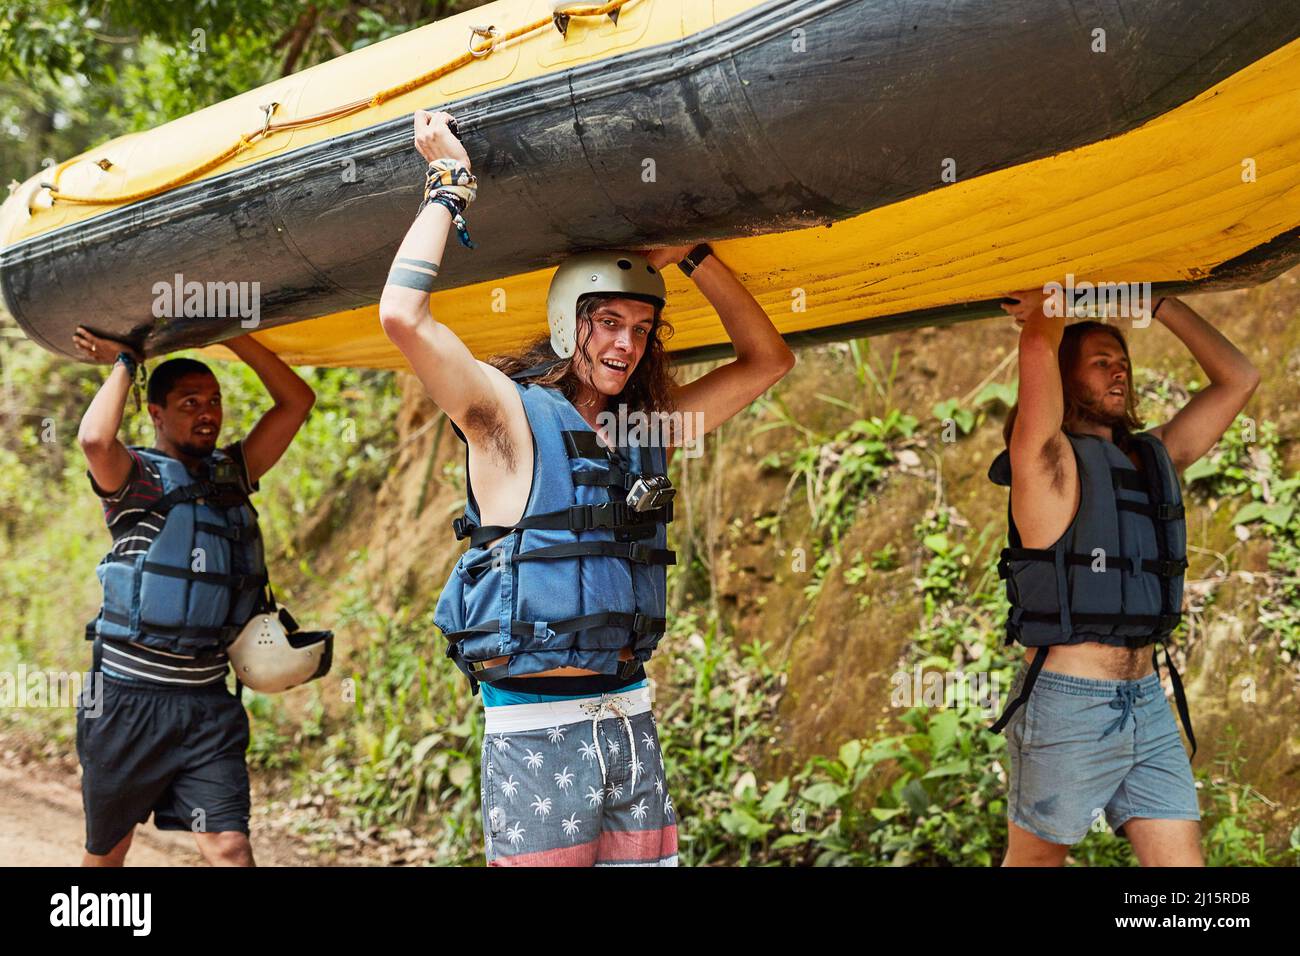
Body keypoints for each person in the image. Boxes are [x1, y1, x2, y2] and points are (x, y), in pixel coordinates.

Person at [379, 109, 795, 866]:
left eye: (641, 329)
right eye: (607, 322)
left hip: (629, 720)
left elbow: (768, 361)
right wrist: (447, 188)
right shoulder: (505, 415)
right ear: (569, 326)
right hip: (538, 735)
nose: (626, 344)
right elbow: (402, 316)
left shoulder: (648, 431)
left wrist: (697, 255)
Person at [989, 288, 1260, 866]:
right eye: (1101, 362)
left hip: (1146, 701)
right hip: (1068, 705)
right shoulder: (1045, 461)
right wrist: (1048, 311)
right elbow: (1038, 342)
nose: (1120, 373)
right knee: (1035, 862)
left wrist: (1157, 301)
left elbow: (1238, 377)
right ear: (1066, 375)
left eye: (1124, 363)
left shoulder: (1153, 458)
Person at [72, 329, 316, 867]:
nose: (207, 413)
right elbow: (94, 440)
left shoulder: (234, 473)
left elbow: (297, 401)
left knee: (230, 846)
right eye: (189, 404)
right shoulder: (136, 480)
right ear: (157, 414)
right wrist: (126, 362)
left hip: (208, 703)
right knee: (109, 851)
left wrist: (234, 337)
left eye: (214, 401)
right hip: (127, 702)